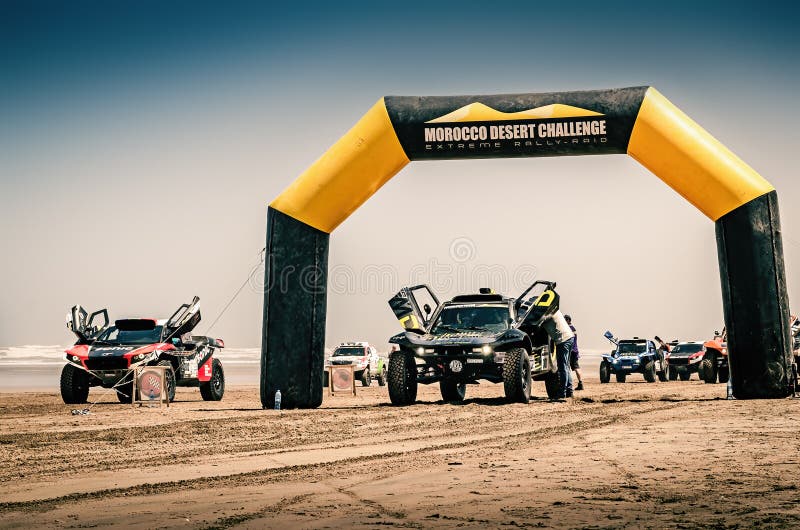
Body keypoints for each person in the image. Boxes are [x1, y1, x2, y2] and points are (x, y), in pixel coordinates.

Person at [542, 309, 575, 400]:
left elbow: (538, 320)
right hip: (569, 338)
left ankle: (562, 393)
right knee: (566, 366)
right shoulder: (554, 310)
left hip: (563, 340)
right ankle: (569, 391)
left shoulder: (547, 313)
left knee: (562, 368)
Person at [565, 314, 583, 391]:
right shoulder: (573, 328)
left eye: (564, 320)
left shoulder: (568, 328)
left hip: (570, 350)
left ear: (568, 320)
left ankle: (568, 385)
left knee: (567, 368)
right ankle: (580, 383)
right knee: (576, 367)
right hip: (575, 350)